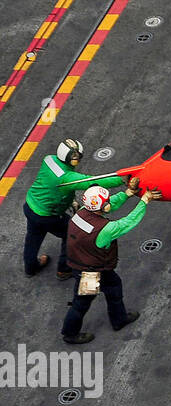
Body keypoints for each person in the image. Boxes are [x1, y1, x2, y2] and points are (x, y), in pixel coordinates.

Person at [61, 180, 157, 345]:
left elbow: (109, 204)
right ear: (101, 207)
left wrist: (127, 193)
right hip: (92, 272)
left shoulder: (82, 212)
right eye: (106, 202)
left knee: (113, 287)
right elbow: (128, 222)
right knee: (82, 303)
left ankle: (119, 318)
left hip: (80, 264)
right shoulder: (105, 229)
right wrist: (144, 201)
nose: (109, 203)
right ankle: (71, 333)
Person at [21, 137, 123, 279]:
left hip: (31, 206)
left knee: (33, 237)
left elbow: (56, 189)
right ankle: (64, 269)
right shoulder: (67, 177)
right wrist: (122, 178)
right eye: (75, 156)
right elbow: (93, 182)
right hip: (48, 215)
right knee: (70, 234)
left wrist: (71, 201)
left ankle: (30, 267)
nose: (77, 159)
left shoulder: (49, 159)